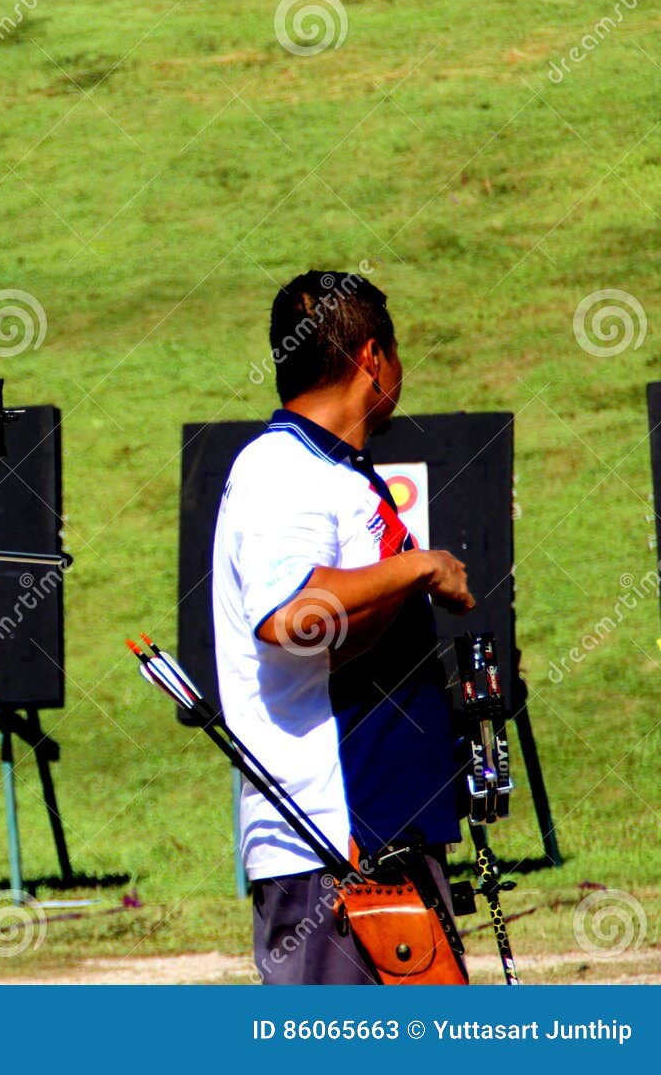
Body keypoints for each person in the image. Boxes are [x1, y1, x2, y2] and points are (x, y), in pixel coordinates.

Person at [211, 270, 477, 984]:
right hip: (328, 840)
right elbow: (290, 616)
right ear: (372, 358)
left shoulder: (333, 471)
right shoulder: (279, 470)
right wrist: (418, 568)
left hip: (381, 825)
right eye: (398, 351)